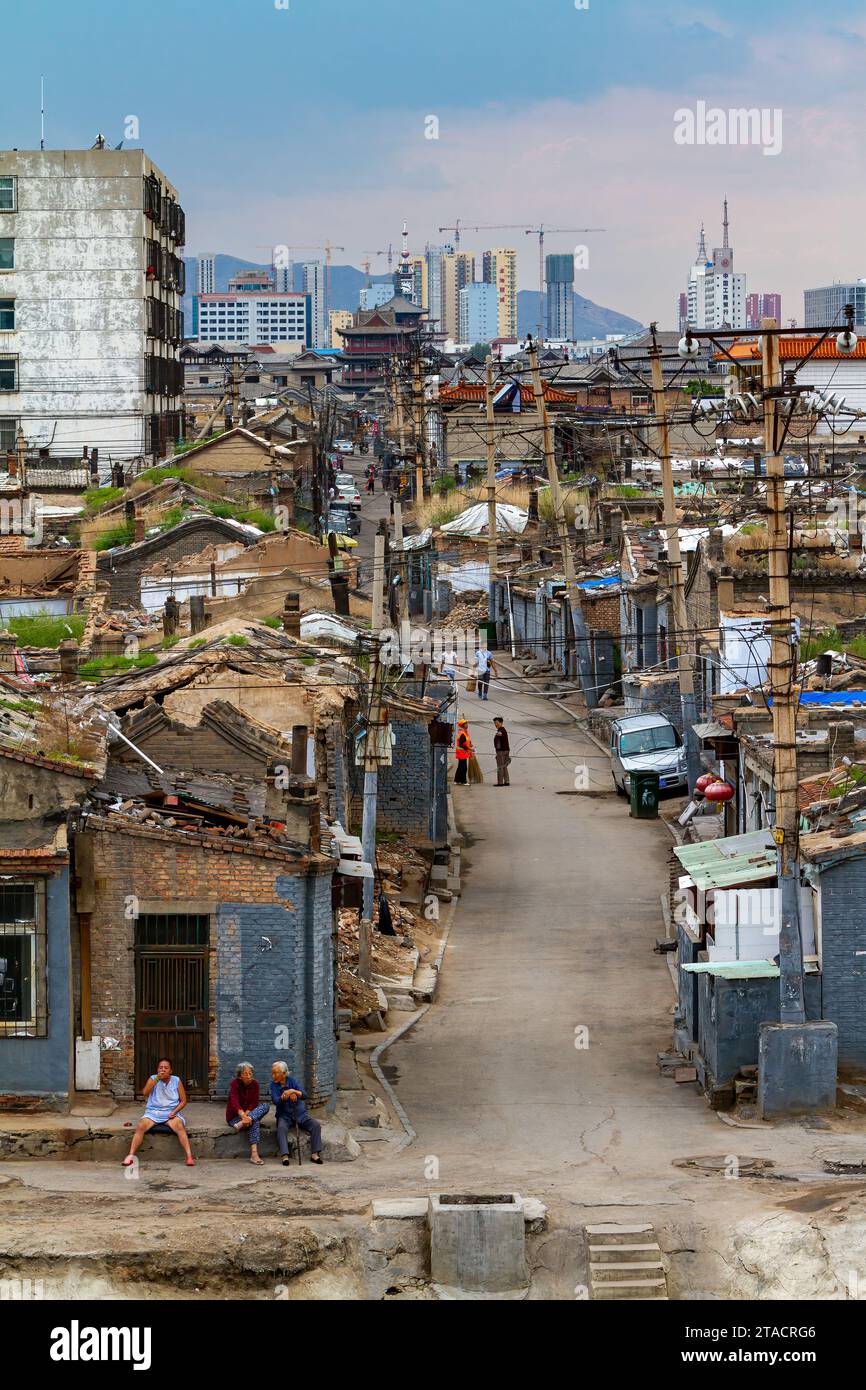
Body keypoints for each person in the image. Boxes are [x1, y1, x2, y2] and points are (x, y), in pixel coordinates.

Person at [122, 1057, 194, 1167]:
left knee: (179, 1126)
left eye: (166, 1068)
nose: (163, 1070)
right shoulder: (153, 1078)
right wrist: (156, 1080)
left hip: (170, 1113)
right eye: (161, 1068)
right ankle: (130, 1155)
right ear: (157, 1069)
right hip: (153, 1112)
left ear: (171, 1070)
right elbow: (145, 1093)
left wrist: (174, 1112)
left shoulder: (176, 1080)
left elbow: (183, 1101)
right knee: (141, 1125)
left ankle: (189, 1157)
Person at [269, 1061, 323, 1166]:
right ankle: (285, 1156)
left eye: (275, 1073)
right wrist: (285, 1096)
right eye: (272, 1073)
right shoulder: (273, 1085)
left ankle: (315, 1154)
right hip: (284, 1116)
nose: (273, 1075)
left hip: (299, 1114)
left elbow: (305, 1095)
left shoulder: (293, 1081)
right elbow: (275, 1101)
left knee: (316, 1126)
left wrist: (294, 1092)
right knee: (281, 1128)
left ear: (284, 1074)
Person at [226, 1061, 270, 1165]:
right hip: (234, 1118)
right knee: (255, 1121)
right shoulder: (235, 1083)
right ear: (240, 1076)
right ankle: (254, 1155)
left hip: (245, 1118)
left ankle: (246, 1121)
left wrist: (247, 1117)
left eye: (250, 1073)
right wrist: (243, 1116)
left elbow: (254, 1103)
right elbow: (234, 1101)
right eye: (246, 1074)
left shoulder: (255, 1084)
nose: (249, 1076)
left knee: (266, 1106)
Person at [493, 717, 511, 786]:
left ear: (501, 723)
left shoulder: (501, 730)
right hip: (506, 750)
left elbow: (500, 734)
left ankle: (500, 782)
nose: (495, 724)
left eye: (497, 723)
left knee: (500, 767)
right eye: (495, 723)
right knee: (504, 766)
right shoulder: (503, 730)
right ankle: (507, 781)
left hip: (501, 752)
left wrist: (498, 734)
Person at [454, 718, 472, 785]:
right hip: (462, 752)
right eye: (466, 724)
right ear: (462, 725)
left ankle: (457, 780)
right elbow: (462, 744)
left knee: (460, 767)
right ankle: (463, 781)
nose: (467, 725)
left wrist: (470, 744)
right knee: (463, 767)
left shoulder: (464, 732)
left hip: (462, 752)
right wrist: (469, 749)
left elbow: (466, 741)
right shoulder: (462, 733)